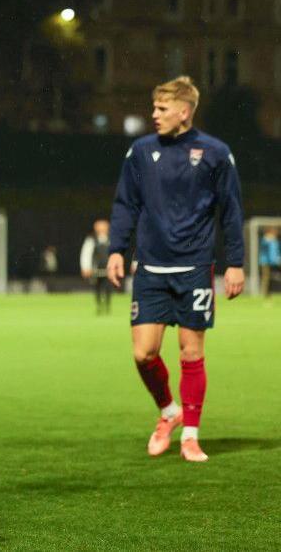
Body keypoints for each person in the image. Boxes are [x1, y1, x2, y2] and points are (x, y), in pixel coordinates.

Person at [107, 75, 244, 463]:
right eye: (154, 107)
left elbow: (231, 211)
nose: (154, 114)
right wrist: (116, 250)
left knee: (191, 352)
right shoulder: (140, 151)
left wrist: (235, 263)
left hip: (194, 266)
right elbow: (125, 204)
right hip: (151, 267)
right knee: (143, 354)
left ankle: (191, 437)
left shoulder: (215, 153)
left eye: (162, 108)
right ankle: (169, 411)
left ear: (184, 112)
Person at [80, 219, 113, 315]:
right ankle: (99, 305)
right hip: (96, 269)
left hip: (108, 268)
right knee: (97, 288)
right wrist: (85, 267)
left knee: (108, 287)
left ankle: (107, 305)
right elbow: (86, 254)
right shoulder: (91, 240)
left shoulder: (112, 239)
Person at [258, 227, 280, 297]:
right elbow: (266, 252)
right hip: (265, 262)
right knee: (266, 277)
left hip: (275, 261)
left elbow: (276, 251)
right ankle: (264, 293)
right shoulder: (265, 240)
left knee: (270, 277)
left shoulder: (275, 241)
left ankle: (268, 292)